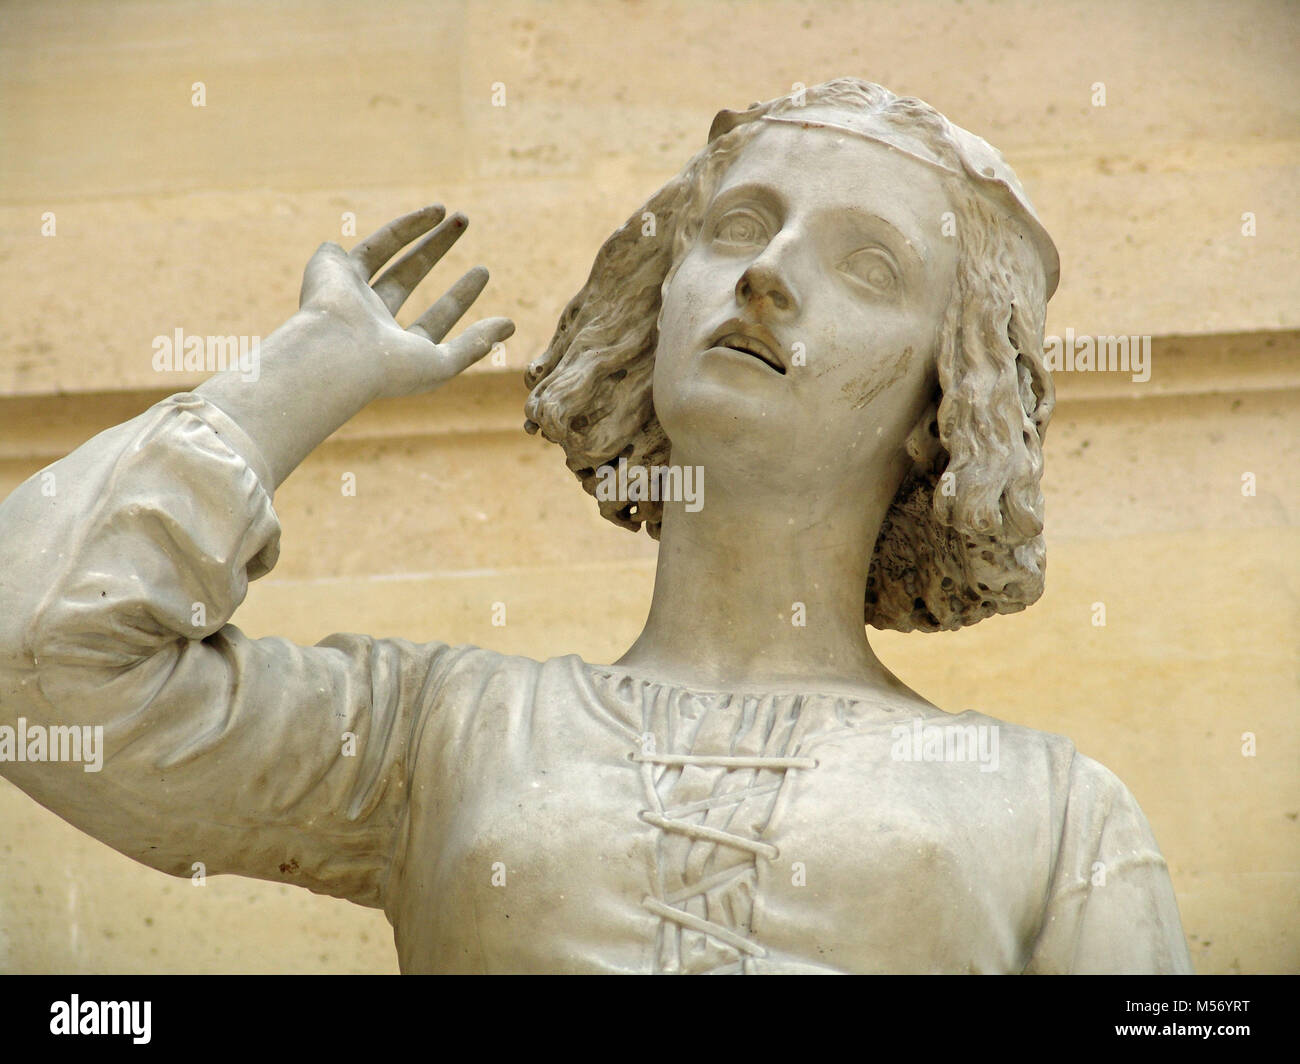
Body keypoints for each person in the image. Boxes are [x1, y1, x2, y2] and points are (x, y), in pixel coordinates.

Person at [0, 78, 1192, 974]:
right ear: (658, 295)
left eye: (867, 263)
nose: (769, 273)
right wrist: (301, 373)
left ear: (951, 398)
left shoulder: (1054, 809)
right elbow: (35, 666)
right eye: (736, 225)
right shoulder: (434, 735)